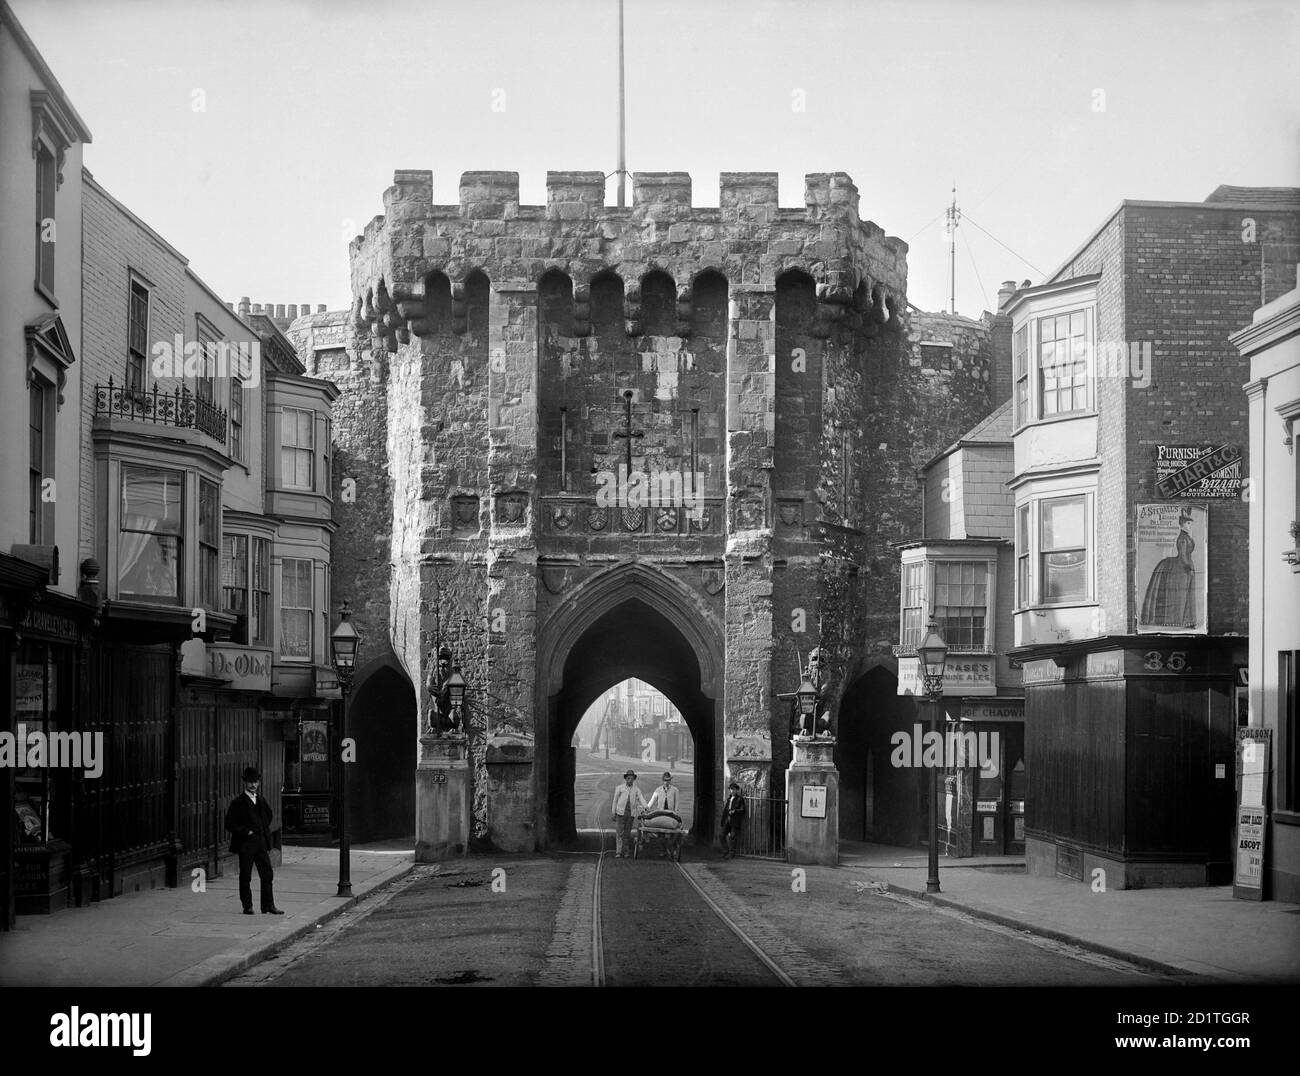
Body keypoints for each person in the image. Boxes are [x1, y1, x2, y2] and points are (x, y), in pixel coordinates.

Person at [224, 767, 283, 915]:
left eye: (255, 782)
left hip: (261, 841)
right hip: (246, 843)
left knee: (267, 873)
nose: (253, 785)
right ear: (245, 782)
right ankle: (247, 905)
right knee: (246, 874)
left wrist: (263, 830)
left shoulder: (261, 800)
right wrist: (246, 831)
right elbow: (229, 824)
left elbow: (269, 815)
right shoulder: (238, 802)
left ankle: (268, 905)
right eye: (250, 782)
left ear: (259, 783)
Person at [1140, 510, 1198, 628]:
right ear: (1182, 525)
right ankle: (1178, 621)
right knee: (1180, 594)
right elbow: (1182, 556)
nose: (1190, 526)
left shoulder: (1187, 537)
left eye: (1190, 524)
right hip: (1181, 568)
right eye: (1188, 524)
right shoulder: (1183, 538)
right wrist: (1188, 568)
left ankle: (1185, 620)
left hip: (1186, 566)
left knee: (1186, 593)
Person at [610, 769, 647, 858]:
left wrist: (646, 807)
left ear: (634, 779)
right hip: (620, 813)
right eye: (628, 778)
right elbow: (615, 801)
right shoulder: (619, 788)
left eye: (631, 778)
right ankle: (618, 852)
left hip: (630, 815)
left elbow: (641, 799)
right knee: (619, 833)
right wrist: (613, 812)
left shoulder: (636, 789)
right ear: (626, 779)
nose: (630, 780)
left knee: (627, 833)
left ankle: (626, 851)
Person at [720, 781, 747, 858]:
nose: (732, 791)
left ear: (736, 790)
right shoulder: (729, 798)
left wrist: (735, 811)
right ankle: (726, 851)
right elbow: (725, 810)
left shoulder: (739, 799)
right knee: (721, 835)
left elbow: (743, 809)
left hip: (735, 821)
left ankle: (732, 853)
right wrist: (722, 821)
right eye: (731, 789)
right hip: (727, 820)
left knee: (733, 837)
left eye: (734, 789)